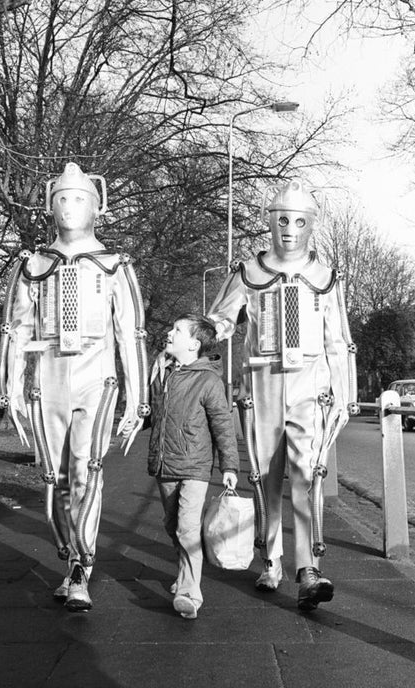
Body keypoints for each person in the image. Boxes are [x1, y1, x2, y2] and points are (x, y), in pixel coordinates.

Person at [0, 162, 149, 611]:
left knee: (88, 471)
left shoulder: (114, 265)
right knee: (57, 478)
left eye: (79, 198)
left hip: (94, 379)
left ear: (96, 206)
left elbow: (131, 333)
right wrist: (12, 392)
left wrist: (137, 399)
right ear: (49, 204)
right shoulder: (34, 264)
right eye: (62, 198)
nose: (69, 207)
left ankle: (83, 564)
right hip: (48, 380)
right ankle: (70, 560)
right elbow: (15, 331)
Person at [208, 180, 358, 610]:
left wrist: (344, 395)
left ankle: (308, 567)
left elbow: (338, 340)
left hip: (310, 384)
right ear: (269, 223)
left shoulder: (325, 278)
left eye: (298, 222)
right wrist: (208, 334)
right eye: (281, 220)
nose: (289, 229)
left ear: (312, 226)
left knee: (307, 472)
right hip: (262, 381)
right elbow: (221, 317)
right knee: (264, 474)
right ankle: (270, 558)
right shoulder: (249, 273)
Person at [148, 314, 239, 619]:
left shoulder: (208, 380)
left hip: (195, 467)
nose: (169, 333)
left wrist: (229, 465)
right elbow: (155, 415)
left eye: (176, 330)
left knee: (187, 527)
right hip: (165, 463)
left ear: (194, 344)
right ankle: (184, 573)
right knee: (173, 526)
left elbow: (223, 424)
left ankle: (190, 592)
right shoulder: (162, 372)